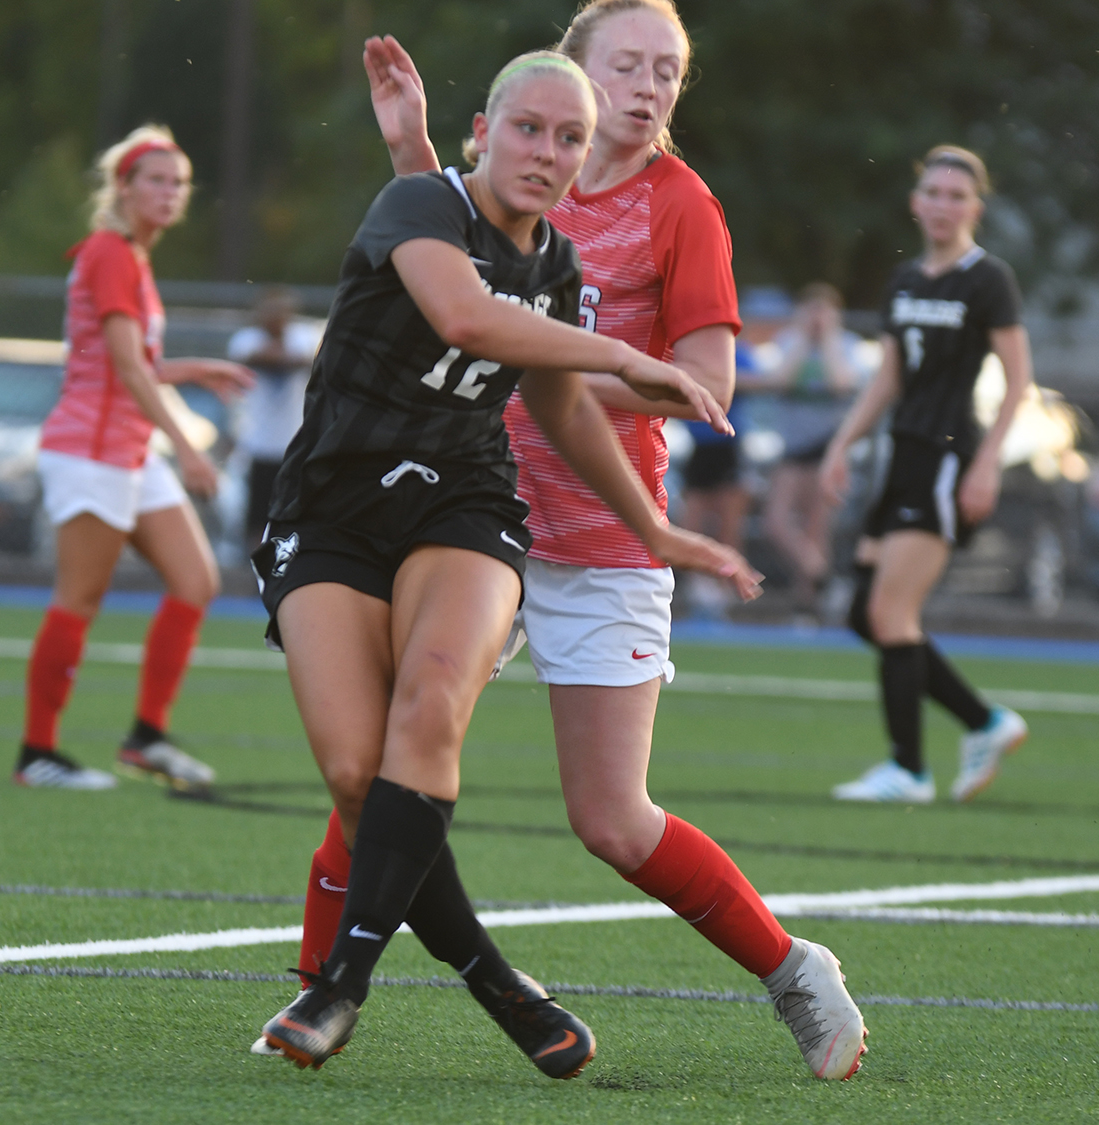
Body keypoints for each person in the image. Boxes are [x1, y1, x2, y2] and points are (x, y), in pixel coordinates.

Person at [341, 3, 868, 1082]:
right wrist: (409, 145)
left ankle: (790, 970)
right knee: (388, 766)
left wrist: (564, 362)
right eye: (625, 63)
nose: (647, 86)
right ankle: (318, 998)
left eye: (667, 70)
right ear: (567, 73)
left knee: (613, 822)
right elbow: (447, 249)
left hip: (606, 538)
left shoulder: (683, 207)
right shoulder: (527, 171)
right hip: (470, 516)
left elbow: (710, 389)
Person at [254, 49, 757, 1075]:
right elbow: (464, 316)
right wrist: (621, 351)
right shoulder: (413, 205)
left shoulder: (555, 267)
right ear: (480, 132)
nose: (548, 151)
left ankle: (338, 987)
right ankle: (497, 981)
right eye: (527, 128)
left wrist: (653, 531)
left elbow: (560, 408)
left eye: (569, 138)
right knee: (358, 776)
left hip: (461, 501)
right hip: (334, 511)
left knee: (433, 699)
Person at [15, 125, 254, 791]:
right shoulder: (111, 250)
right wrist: (186, 445)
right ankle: (37, 751)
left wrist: (191, 369)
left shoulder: (133, 259)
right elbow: (122, 365)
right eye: (156, 179)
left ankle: (146, 737)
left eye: (178, 183)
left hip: (125, 448)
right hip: (91, 450)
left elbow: (130, 362)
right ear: (123, 187)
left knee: (195, 580)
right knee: (80, 598)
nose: (170, 193)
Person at [819, 145, 1032, 806]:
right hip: (901, 456)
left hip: (945, 457)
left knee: (890, 610)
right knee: (865, 611)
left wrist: (986, 460)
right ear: (916, 203)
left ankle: (908, 769)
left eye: (957, 195)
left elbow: (1019, 378)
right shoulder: (906, 280)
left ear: (976, 207)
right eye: (933, 193)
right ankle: (983, 720)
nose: (943, 205)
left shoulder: (987, 278)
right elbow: (888, 375)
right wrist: (842, 443)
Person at [752, 282, 863, 612]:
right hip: (794, 445)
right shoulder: (788, 342)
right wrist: (802, 339)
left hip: (828, 446)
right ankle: (824, 577)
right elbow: (781, 381)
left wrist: (828, 340)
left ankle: (810, 604)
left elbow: (841, 383)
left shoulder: (846, 345)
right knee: (777, 521)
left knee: (817, 527)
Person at [226, 286, 320, 551]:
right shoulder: (247, 339)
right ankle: (253, 563)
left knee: (297, 507)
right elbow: (256, 359)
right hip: (258, 442)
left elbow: (312, 362)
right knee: (256, 511)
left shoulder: (303, 336)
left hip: (295, 440)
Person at [678, 339, 759, 619]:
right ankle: (698, 588)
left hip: (727, 446)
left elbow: (754, 380)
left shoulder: (738, 353)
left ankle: (727, 593)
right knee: (692, 521)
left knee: (729, 524)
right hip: (700, 449)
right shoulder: (691, 350)